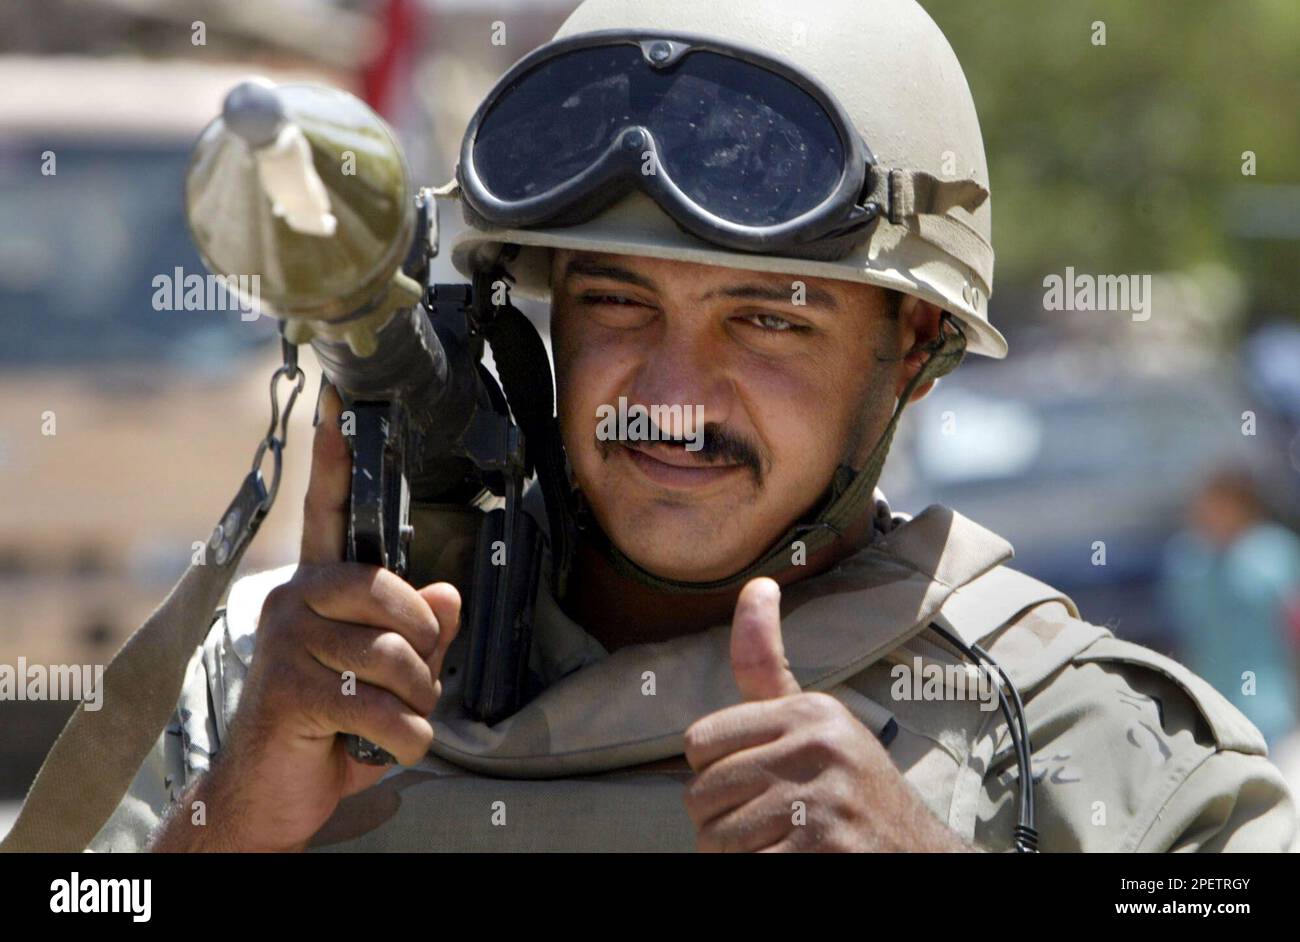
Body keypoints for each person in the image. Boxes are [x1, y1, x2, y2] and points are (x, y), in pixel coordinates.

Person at [89, 0, 1295, 852]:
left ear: (912, 354)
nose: (674, 387)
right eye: (618, 303)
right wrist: (230, 824)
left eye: (768, 322)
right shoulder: (294, 691)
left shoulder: (1109, 752)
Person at [1162, 466, 1300, 749]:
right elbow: (1184, 634)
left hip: (1269, 708)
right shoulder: (1187, 561)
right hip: (1210, 706)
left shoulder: (1274, 555)